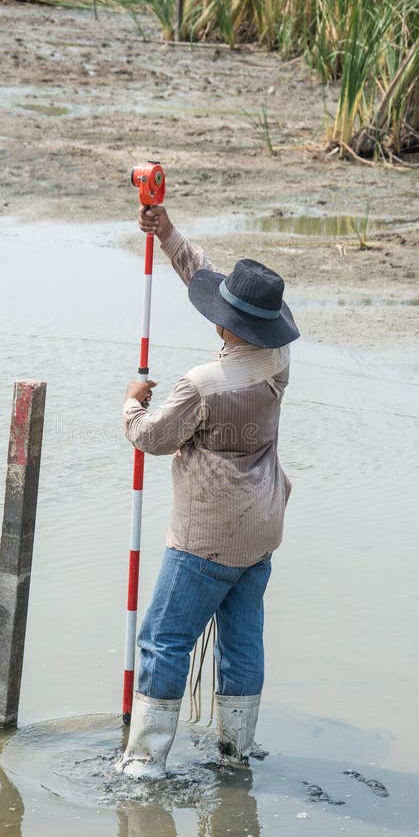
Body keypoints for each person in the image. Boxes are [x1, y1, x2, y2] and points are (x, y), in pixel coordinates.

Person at [115, 205, 299, 781]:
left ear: (226, 325)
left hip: (206, 540)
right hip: (262, 528)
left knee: (162, 641)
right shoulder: (277, 361)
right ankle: (236, 753)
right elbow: (206, 274)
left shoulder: (203, 384)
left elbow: (152, 439)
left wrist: (132, 401)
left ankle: (143, 765)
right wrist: (167, 234)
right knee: (242, 640)